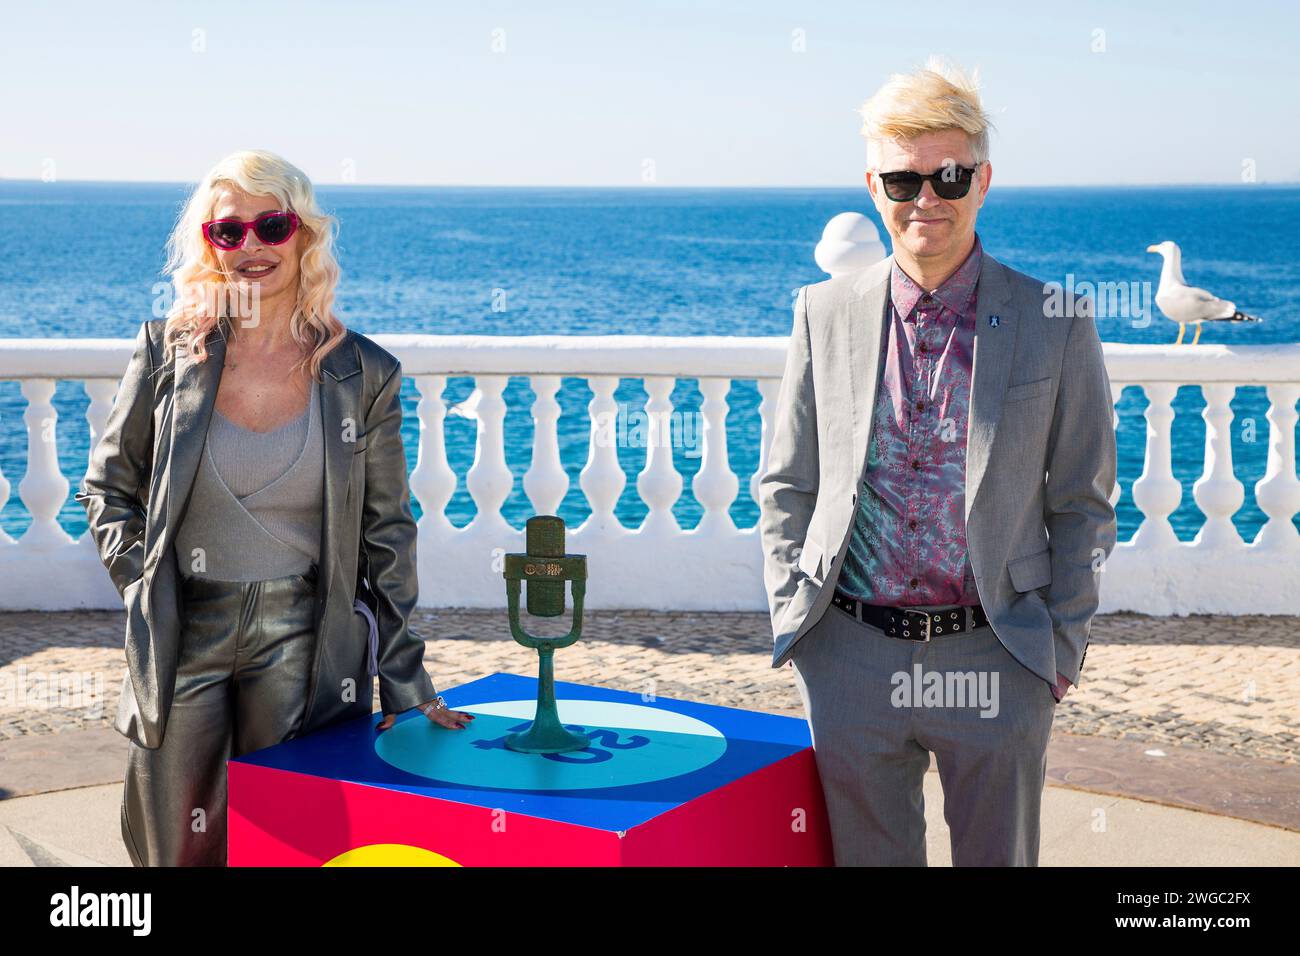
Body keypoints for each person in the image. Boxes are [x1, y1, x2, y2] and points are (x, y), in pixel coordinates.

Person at [758, 57, 1117, 866]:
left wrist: (1057, 651)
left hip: (998, 655)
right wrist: (796, 622)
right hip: (849, 657)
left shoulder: (1055, 319)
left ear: (982, 181)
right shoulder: (821, 313)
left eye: (949, 176)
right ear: (873, 188)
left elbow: (1084, 503)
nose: (927, 198)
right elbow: (788, 482)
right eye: (903, 180)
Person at [77, 149, 475, 866]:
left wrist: (405, 680)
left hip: (305, 642)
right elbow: (108, 490)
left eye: (273, 225)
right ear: (210, 244)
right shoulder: (166, 353)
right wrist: (146, 586)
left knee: (285, 845)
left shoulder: (363, 373)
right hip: (181, 636)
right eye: (230, 230)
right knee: (175, 848)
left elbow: (387, 532)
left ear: (304, 233)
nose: (252, 245)